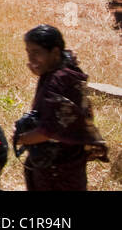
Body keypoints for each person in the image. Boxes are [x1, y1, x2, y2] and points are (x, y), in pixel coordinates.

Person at [16, 24, 109, 190]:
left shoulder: (57, 81)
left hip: (57, 171)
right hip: (71, 164)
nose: (31, 59)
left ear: (55, 52)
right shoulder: (66, 70)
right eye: (28, 52)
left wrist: (22, 138)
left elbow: (49, 130)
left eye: (36, 52)